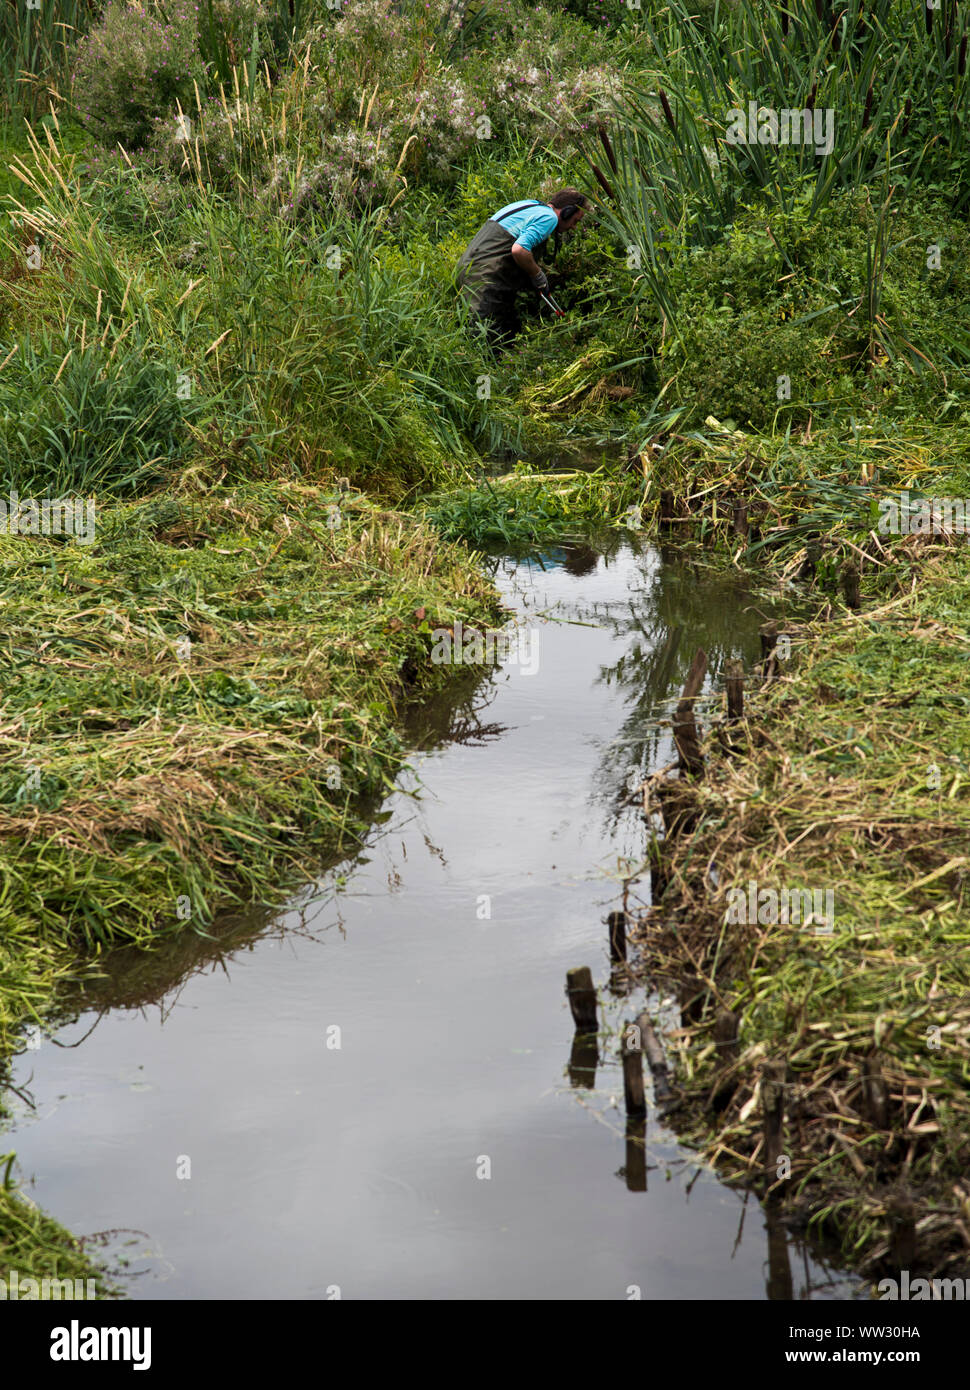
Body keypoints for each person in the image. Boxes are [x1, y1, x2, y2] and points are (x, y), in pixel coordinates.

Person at [456, 190, 589, 351]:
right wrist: (538, 275)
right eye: (575, 221)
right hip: (486, 275)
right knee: (484, 338)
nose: (574, 227)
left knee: (497, 326)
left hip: (469, 266)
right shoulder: (549, 218)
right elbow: (519, 250)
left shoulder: (531, 205)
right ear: (567, 212)